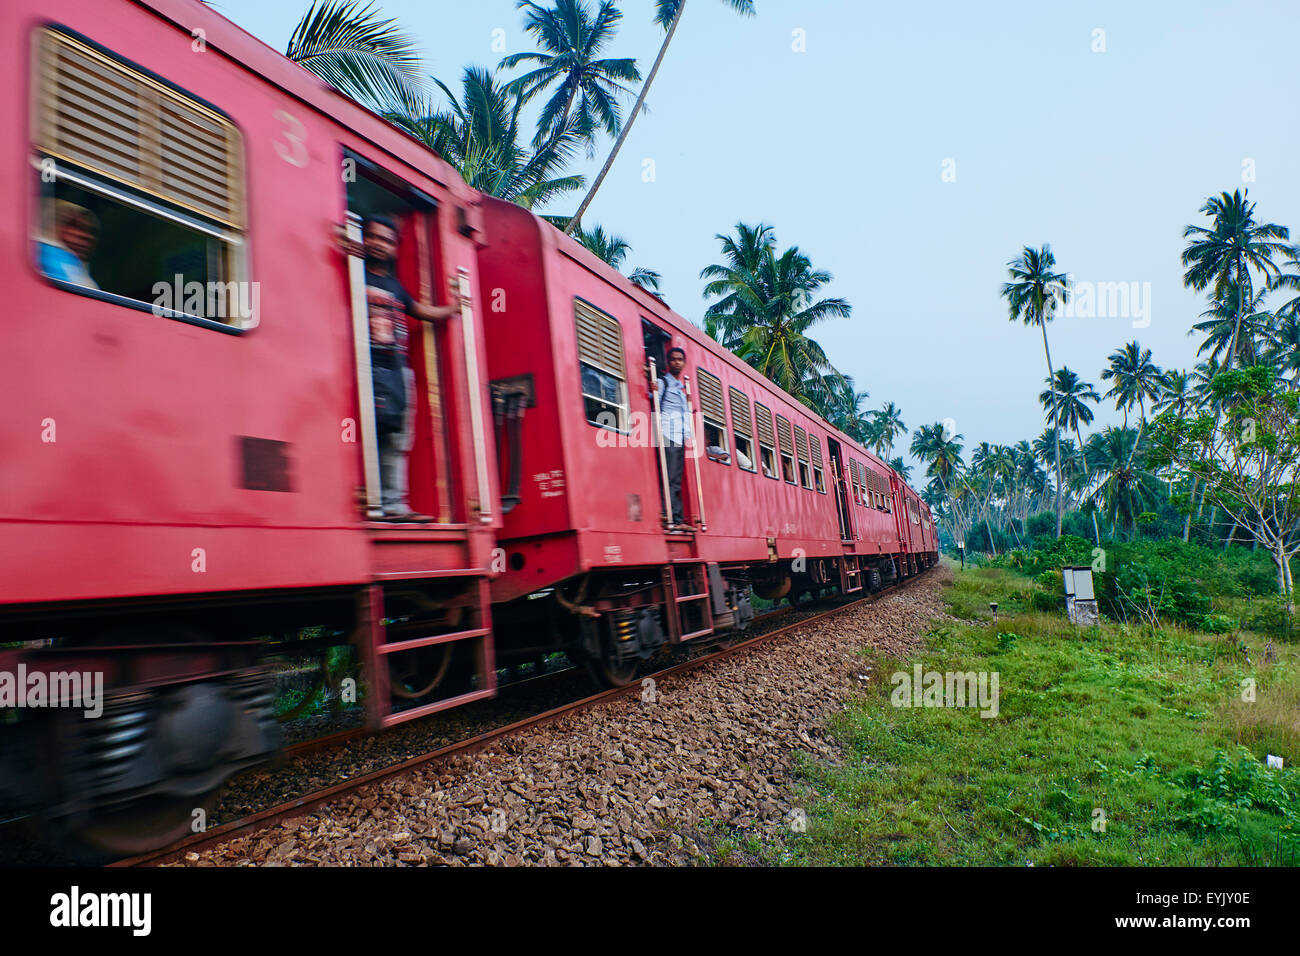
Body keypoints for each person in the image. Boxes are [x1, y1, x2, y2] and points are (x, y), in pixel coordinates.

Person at [355, 215, 459, 522]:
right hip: (365, 365)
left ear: (395, 249)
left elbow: (422, 311)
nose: (378, 244)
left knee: (396, 436)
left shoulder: (395, 287)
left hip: (397, 372)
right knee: (368, 432)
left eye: (386, 240)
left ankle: (394, 504)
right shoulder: (353, 272)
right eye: (372, 236)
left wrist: (455, 309)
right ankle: (372, 503)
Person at [656, 346, 693, 530]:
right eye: (673, 359)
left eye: (679, 359)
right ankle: (668, 514)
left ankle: (677, 518)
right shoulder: (663, 382)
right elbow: (653, 401)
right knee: (669, 477)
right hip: (667, 433)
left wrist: (688, 435)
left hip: (678, 437)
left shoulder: (680, 387)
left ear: (684, 363)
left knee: (676, 479)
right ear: (668, 362)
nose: (676, 362)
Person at [39, 200, 99, 289]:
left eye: (90, 231)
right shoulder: (44, 252)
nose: (85, 235)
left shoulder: (77, 268)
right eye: (73, 225)